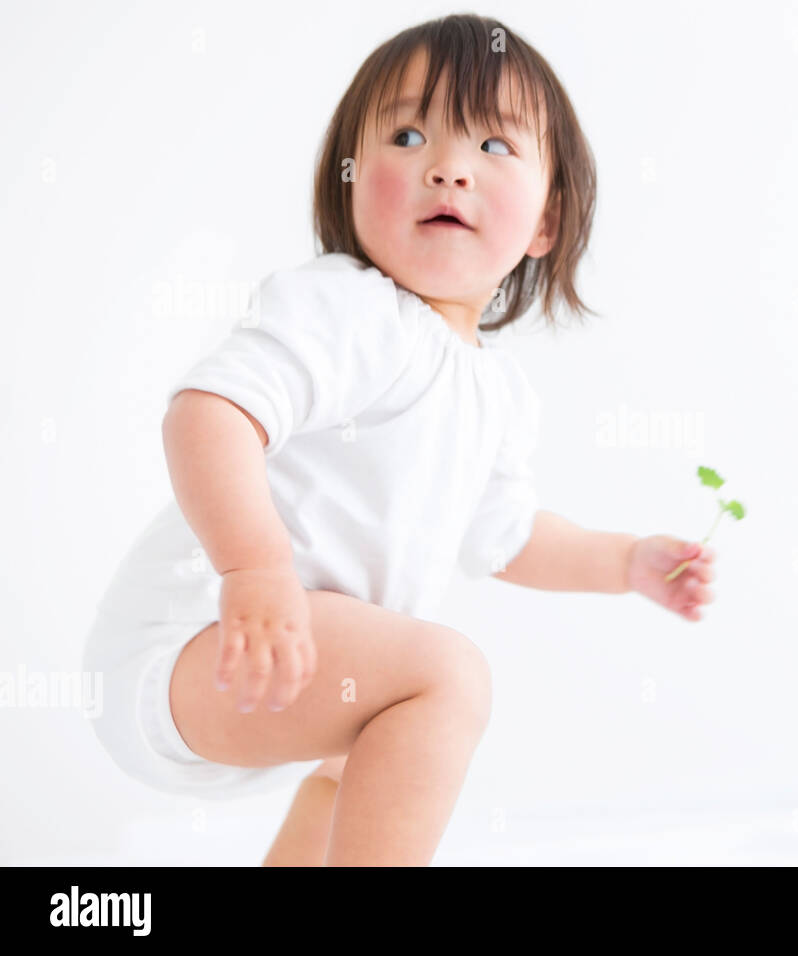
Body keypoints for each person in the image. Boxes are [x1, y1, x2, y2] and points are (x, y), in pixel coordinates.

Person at [81, 13, 717, 866]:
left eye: (493, 146)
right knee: (446, 678)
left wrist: (625, 561)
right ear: (349, 180)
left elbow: (511, 535)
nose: (447, 166)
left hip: (295, 670)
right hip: (192, 644)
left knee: (370, 755)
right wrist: (255, 569)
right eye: (410, 135)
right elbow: (208, 412)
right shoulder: (347, 308)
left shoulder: (496, 392)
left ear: (545, 225)